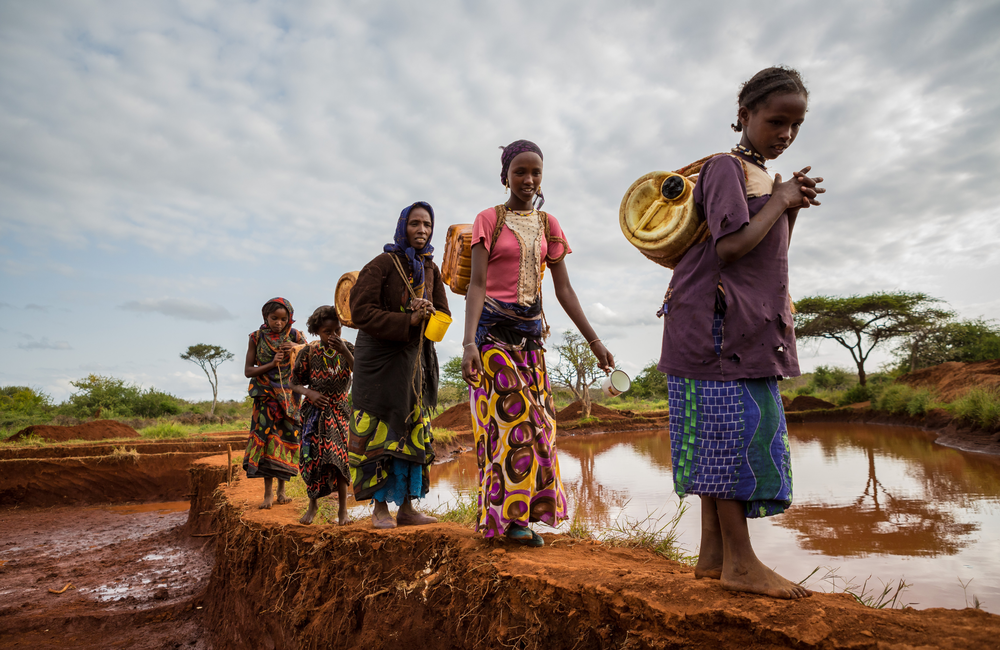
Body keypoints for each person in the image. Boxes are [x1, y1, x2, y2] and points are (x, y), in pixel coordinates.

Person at [657, 66, 824, 599]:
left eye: (796, 125)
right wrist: (781, 200)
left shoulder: (765, 178)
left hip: (741, 326)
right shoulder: (725, 168)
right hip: (714, 327)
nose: (786, 134)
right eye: (777, 121)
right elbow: (729, 247)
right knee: (731, 434)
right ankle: (743, 564)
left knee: (721, 433)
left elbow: (765, 256)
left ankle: (713, 557)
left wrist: (787, 202)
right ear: (745, 115)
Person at [461, 139, 615, 547]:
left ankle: (526, 514)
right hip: (491, 337)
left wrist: (595, 340)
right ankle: (510, 522)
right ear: (505, 176)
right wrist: (468, 343)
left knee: (543, 426)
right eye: (520, 172)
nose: (528, 180)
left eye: (535, 173)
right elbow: (476, 286)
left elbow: (564, 290)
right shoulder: (487, 220)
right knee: (515, 424)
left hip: (530, 341)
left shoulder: (550, 226)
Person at [348, 201, 450, 529]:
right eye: (415, 224)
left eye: (427, 225)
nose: (422, 230)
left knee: (410, 428)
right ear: (403, 226)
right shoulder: (382, 264)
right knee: (380, 431)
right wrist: (407, 319)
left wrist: (428, 311)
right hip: (378, 362)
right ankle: (379, 509)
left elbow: (443, 314)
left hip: (411, 361)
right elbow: (360, 312)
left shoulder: (431, 269)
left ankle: (407, 508)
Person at [291, 305, 355, 525]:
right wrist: (310, 393)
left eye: (338, 330)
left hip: (339, 411)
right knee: (314, 459)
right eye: (328, 332)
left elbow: (361, 371)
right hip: (315, 413)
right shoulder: (308, 352)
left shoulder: (349, 348)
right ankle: (313, 505)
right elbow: (294, 382)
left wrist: (345, 352)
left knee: (339, 458)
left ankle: (343, 512)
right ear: (317, 331)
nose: (334, 336)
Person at [243, 297, 307, 509]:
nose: (278, 323)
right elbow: (248, 371)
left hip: (289, 399)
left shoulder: (296, 336)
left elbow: (310, 357)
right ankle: (268, 493)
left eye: (283, 318)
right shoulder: (256, 337)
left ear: (289, 318)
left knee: (286, 440)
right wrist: (272, 363)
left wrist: (297, 348)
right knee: (265, 441)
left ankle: (282, 491)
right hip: (265, 398)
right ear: (265, 317)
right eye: (274, 318)